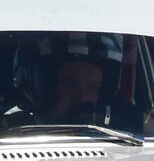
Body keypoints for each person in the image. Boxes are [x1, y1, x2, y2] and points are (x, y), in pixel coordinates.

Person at [12, 32, 141, 131]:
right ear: (38, 88)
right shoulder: (7, 135)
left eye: (92, 88)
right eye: (68, 85)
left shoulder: (122, 137)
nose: (81, 97)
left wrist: (132, 117)